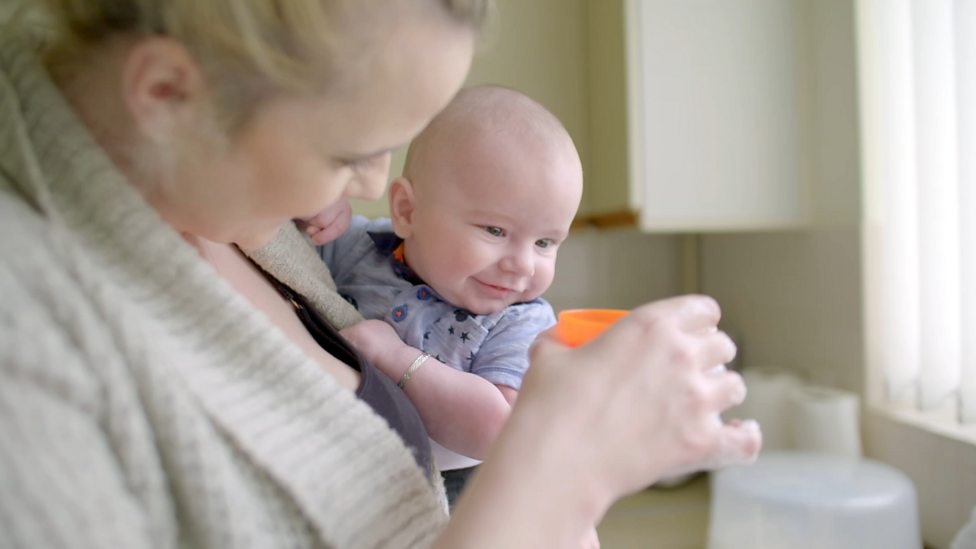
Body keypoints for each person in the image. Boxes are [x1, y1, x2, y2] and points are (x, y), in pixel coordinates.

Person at [0, 1, 761, 548]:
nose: (369, 188)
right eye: (346, 151)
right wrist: (562, 472)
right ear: (167, 93)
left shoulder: (259, 222)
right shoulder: (29, 337)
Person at [302, 84, 583, 507]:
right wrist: (323, 206)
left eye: (546, 242)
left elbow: (495, 431)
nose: (523, 264)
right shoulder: (362, 248)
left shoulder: (521, 321)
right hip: (347, 467)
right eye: (495, 231)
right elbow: (285, 240)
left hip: (462, 493)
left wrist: (395, 358)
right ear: (407, 212)